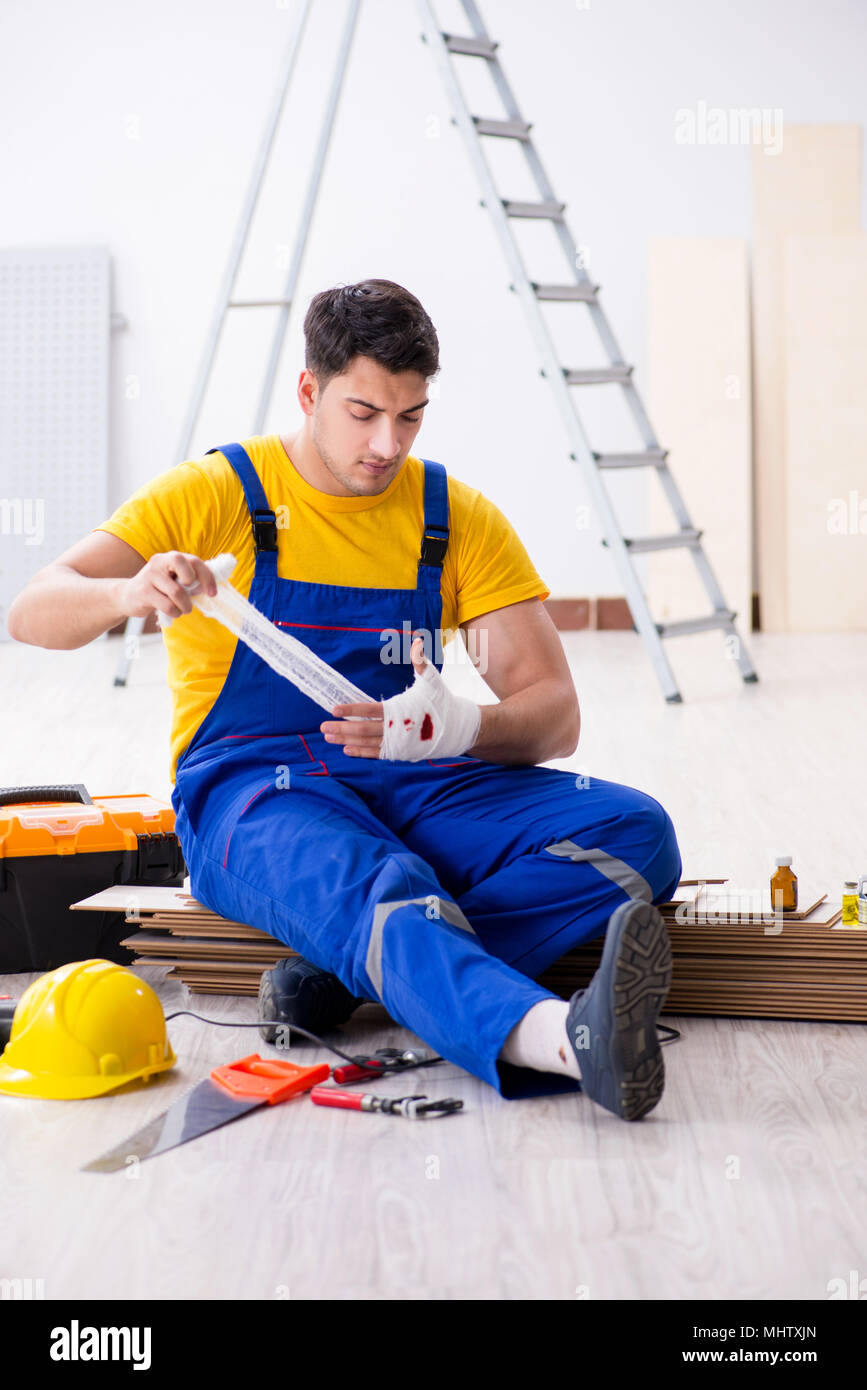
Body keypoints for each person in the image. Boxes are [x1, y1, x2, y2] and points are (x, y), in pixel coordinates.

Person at [8, 278, 682, 1119]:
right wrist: (126, 594)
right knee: (387, 879)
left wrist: (460, 727)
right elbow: (33, 611)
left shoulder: (452, 517)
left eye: (410, 416)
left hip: (418, 778)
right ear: (308, 390)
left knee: (633, 832)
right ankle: (558, 1037)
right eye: (362, 412)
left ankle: (356, 966)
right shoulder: (221, 493)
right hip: (258, 791)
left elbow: (554, 713)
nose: (386, 444)